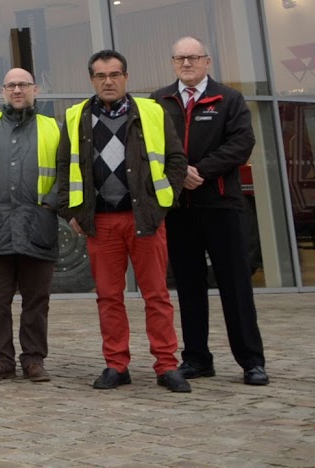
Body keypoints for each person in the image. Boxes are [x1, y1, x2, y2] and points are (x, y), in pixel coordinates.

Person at [64, 49, 190, 393]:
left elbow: (177, 160)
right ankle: (116, 365)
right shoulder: (76, 116)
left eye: (115, 74)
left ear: (125, 77)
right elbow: (65, 166)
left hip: (145, 220)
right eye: (101, 76)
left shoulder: (152, 111)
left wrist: (162, 204)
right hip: (101, 222)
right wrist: (72, 211)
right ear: (92, 80)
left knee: (157, 296)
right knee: (108, 297)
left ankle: (166, 365)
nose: (108, 81)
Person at [152, 37, 269, 386]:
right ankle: (197, 359)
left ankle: (251, 361)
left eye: (193, 57)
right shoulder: (159, 101)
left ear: (207, 61)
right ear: (173, 62)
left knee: (235, 286)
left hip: (221, 205)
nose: (186, 63)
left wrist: (198, 171)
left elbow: (241, 143)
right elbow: (148, 147)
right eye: (179, 58)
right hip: (178, 210)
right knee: (188, 287)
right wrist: (178, 173)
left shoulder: (229, 99)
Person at [0, 67, 64, 383]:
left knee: (36, 302)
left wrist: (50, 204)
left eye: (24, 85)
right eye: (11, 85)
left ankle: (33, 359)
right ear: (2, 91)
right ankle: (1, 360)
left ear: (36, 90)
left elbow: (67, 170)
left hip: (38, 226)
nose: (18, 90)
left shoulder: (54, 128)